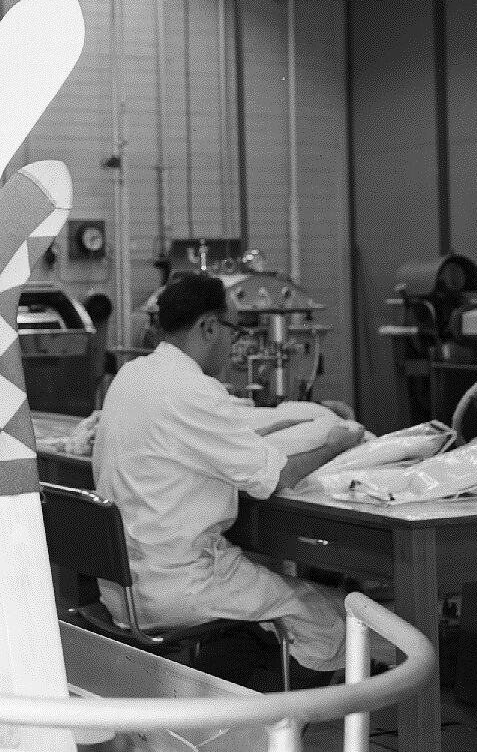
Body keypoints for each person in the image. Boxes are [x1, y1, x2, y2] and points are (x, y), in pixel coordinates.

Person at [92, 271, 365, 680]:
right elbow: (277, 475)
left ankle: (251, 689)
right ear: (207, 326)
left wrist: (296, 416)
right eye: (233, 331)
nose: (234, 343)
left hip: (122, 588)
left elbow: (230, 426)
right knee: (332, 619)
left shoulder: (133, 377)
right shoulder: (191, 391)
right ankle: (266, 731)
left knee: (275, 590)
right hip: (180, 585)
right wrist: (342, 442)